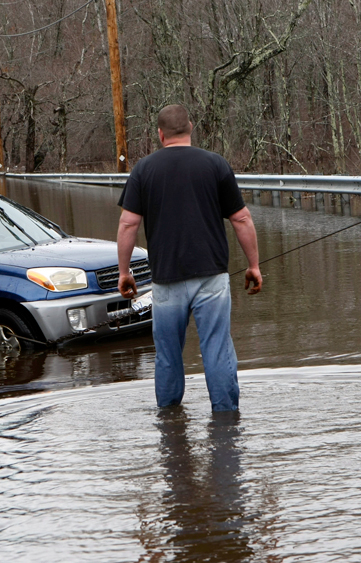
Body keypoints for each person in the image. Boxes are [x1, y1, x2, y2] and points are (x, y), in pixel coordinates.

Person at [117, 104, 262, 412]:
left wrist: (124, 272)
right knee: (217, 350)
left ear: (160, 134)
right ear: (190, 128)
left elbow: (128, 223)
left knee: (168, 355)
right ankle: (226, 425)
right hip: (212, 277)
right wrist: (253, 266)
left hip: (166, 281)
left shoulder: (143, 169)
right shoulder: (215, 164)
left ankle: (170, 425)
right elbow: (242, 219)